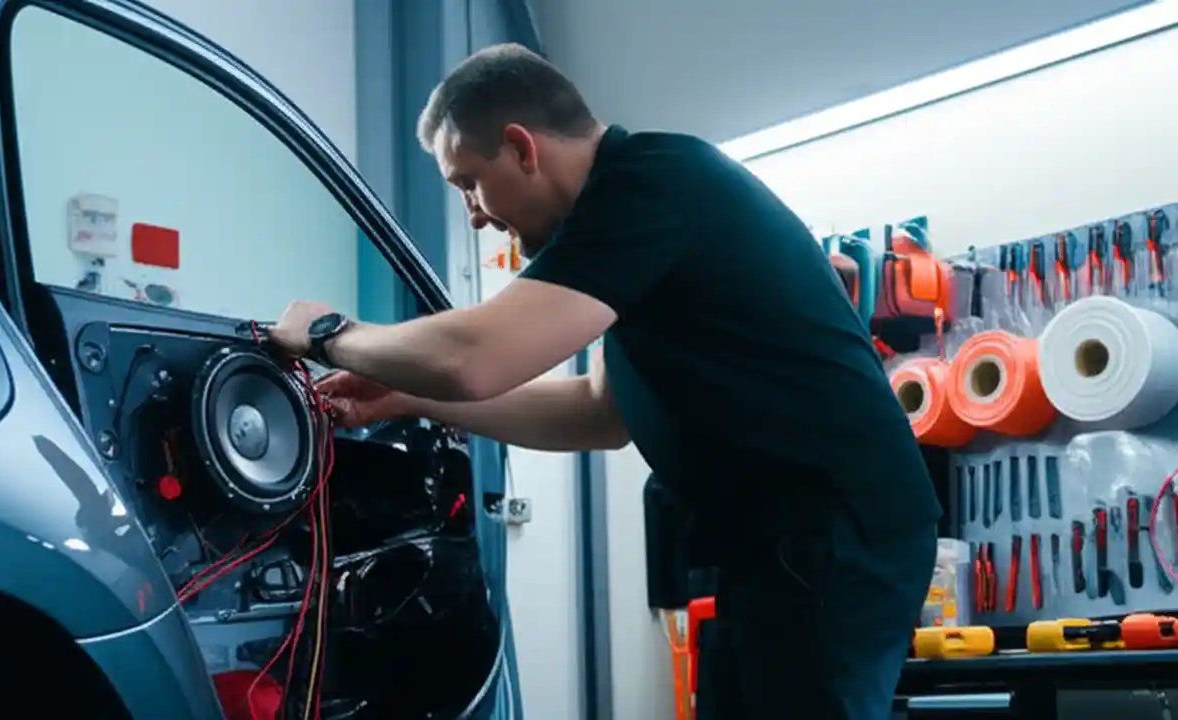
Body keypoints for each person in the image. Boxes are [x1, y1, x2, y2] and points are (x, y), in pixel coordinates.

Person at [269, 43, 942, 718]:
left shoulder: (652, 183)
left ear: (520, 147)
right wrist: (411, 396)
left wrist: (332, 334)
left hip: (833, 535)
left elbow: (476, 355)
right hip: (782, 543)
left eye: (469, 182)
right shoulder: (633, 225)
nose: (474, 213)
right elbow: (598, 412)